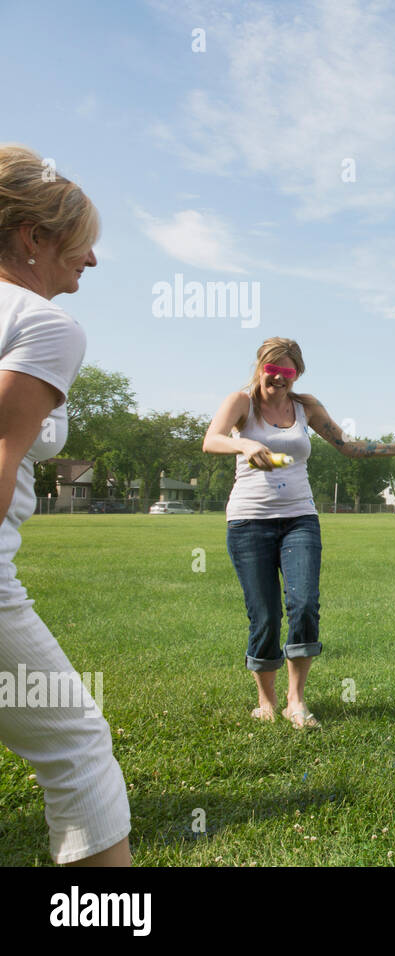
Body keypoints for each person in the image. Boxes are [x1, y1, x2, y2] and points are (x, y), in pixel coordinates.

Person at [0, 144, 131, 864]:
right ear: (34, 238)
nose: (92, 260)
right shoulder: (43, 325)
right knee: (78, 747)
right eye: (82, 242)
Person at [203, 338, 395, 728]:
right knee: (265, 615)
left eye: (288, 372)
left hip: (300, 518)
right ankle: (265, 701)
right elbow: (211, 439)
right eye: (272, 369)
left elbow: (348, 446)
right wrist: (245, 443)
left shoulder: (306, 407)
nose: (279, 378)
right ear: (260, 367)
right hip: (249, 521)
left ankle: (295, 701)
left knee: (303, 604)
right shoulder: (242, 402)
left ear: (297, 374)